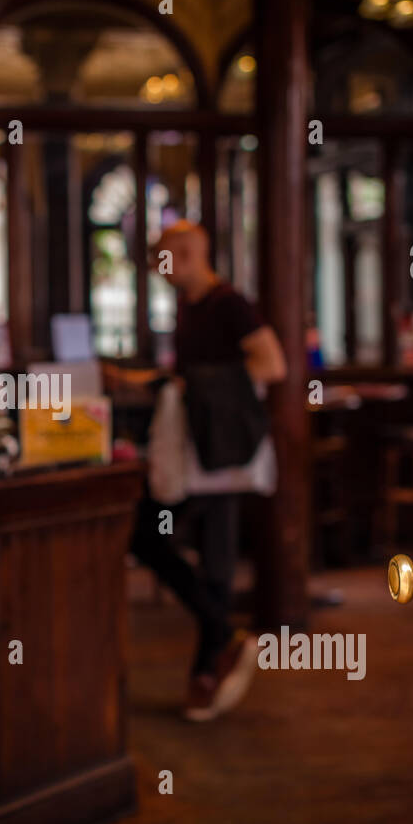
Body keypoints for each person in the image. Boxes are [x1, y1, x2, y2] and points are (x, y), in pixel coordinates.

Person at [106, 220, 287, 722]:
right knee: (213, 557)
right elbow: (186, 379)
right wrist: (137, 381)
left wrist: (194, 389)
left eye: (162, 261)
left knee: (150, 532)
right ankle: (211, 661)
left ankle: (214, 653)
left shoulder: (230, 303)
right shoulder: (188, 307)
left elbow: (271, 365)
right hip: (202, 452)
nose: (159, 273)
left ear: (186, 254)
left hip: (220, 451)